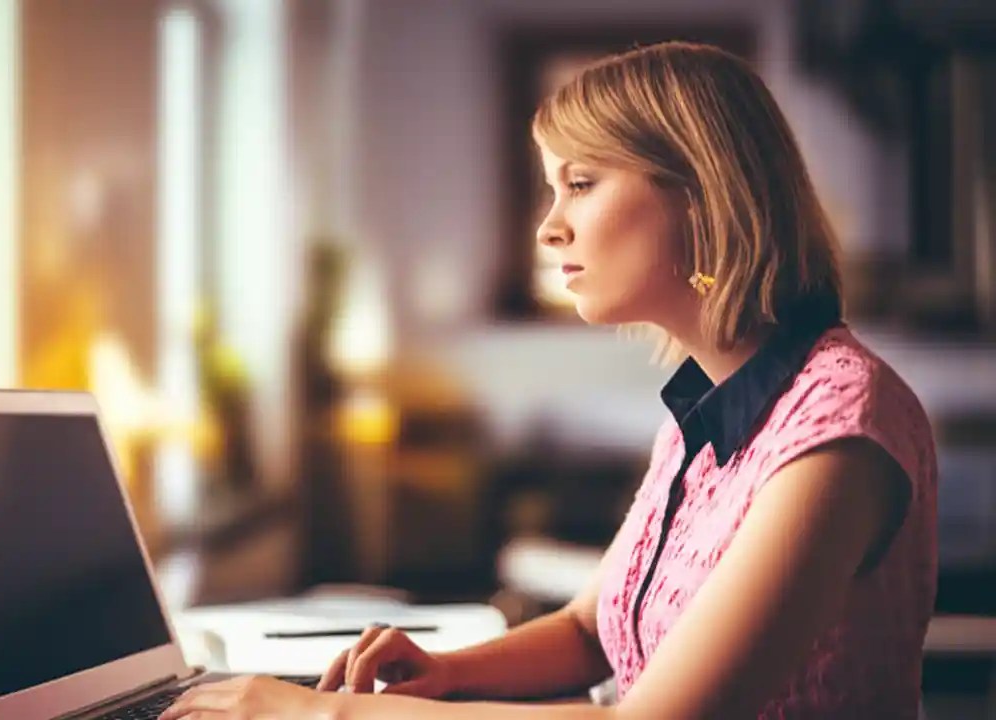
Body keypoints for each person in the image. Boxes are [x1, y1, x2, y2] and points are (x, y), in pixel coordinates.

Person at [160, 40, 937, 720]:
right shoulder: (710, 406)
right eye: (551, 187)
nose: (548, 225)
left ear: (700, 192)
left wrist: (320, 713)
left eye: (583, 182)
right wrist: (443, 674)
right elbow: (587, 631)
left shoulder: (838, 424)